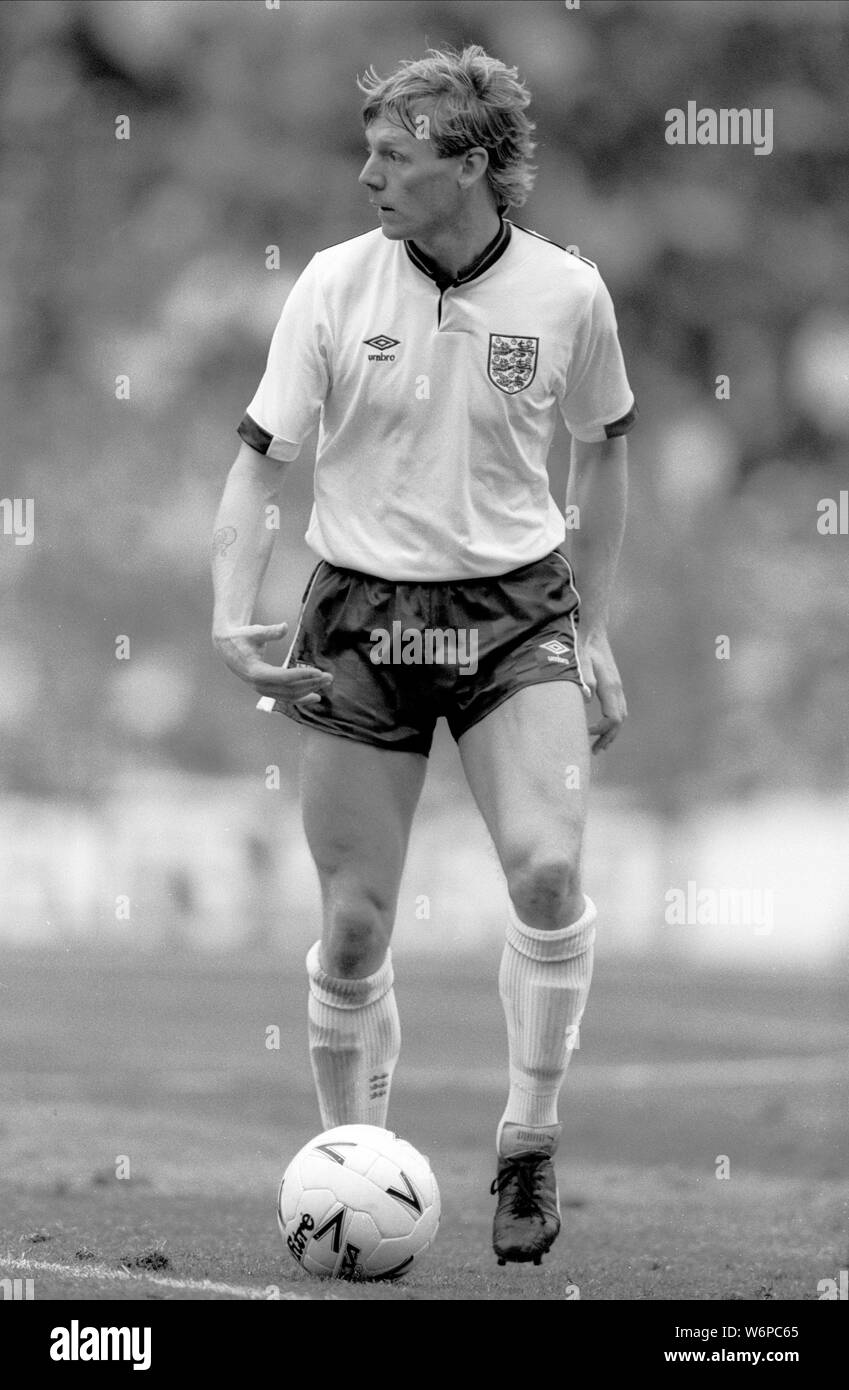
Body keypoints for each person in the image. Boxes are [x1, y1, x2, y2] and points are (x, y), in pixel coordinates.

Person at [211, 44, 636, 1267]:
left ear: (473, 165)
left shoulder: (570, 296)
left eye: (394, 157)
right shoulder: (334, 289)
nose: (367, 177)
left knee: (550, 873)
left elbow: (606, 447)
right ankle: (356, 1171)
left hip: (513, 615)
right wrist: (237, 614)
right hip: (363, 617)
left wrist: (593, 628)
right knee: (353, 929)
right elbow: (259, 464)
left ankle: (528, 1139)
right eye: (369, 152)